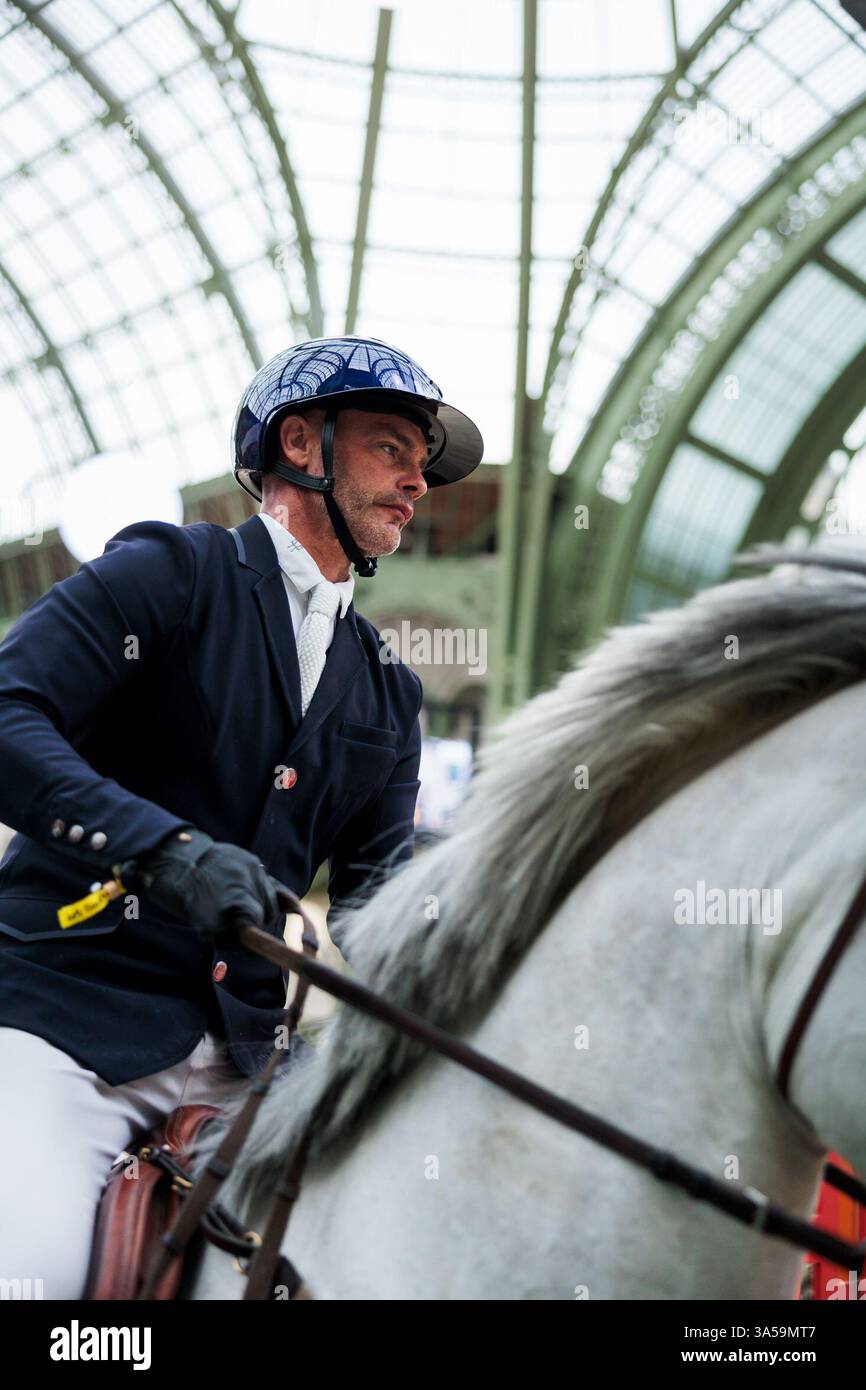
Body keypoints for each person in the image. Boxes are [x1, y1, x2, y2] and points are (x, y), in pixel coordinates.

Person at [0, 333, 483, 1298]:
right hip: (67, 1021)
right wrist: (165, 852)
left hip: (251, 1060)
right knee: (31, 1278)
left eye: (422, 463)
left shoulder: (389, 694)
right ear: (301, 444)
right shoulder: (170, 574)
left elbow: (374, 902)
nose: (417, 482)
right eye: (392, 448)